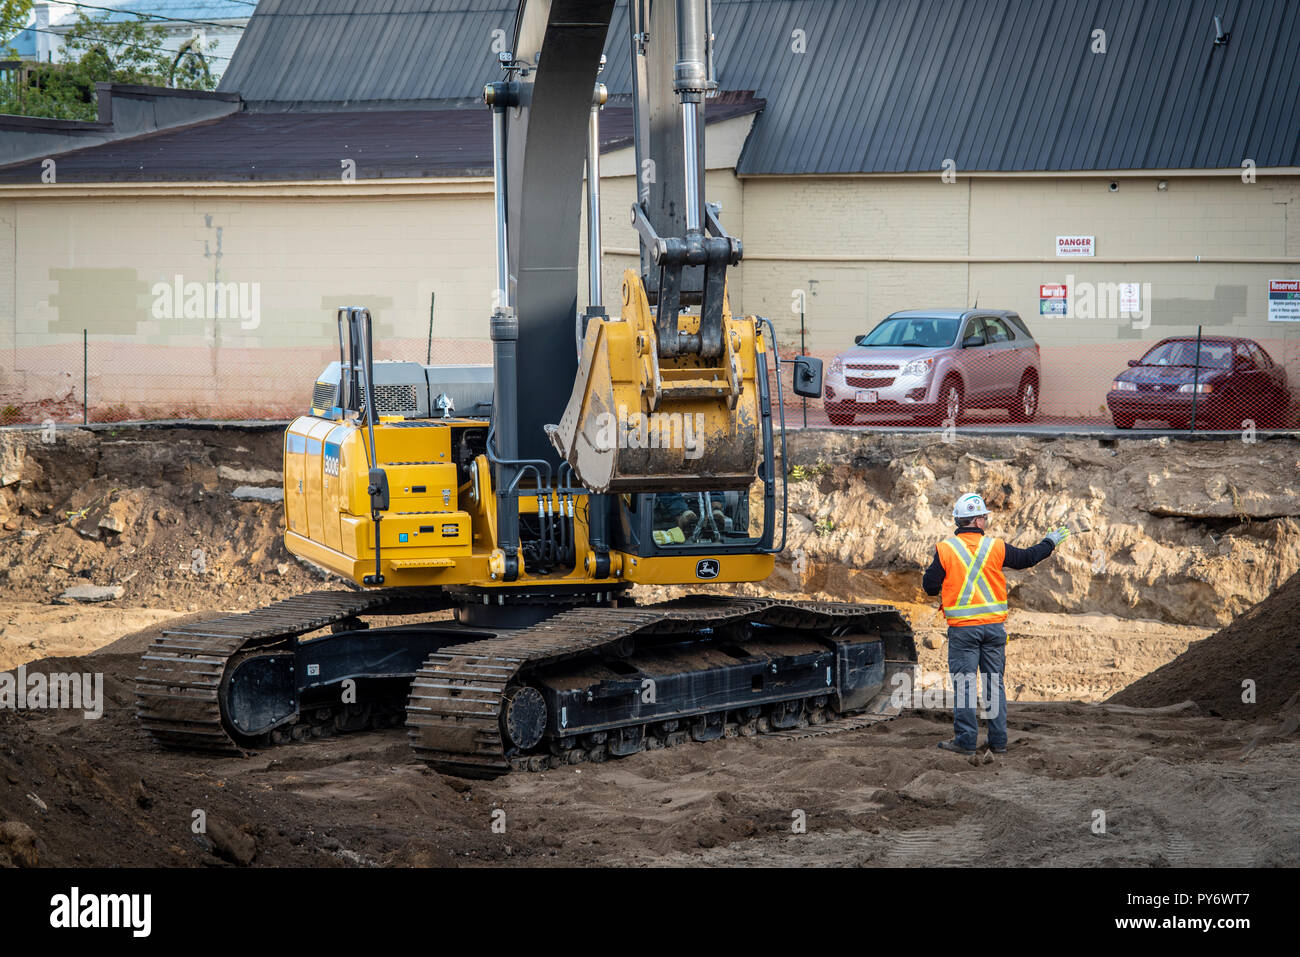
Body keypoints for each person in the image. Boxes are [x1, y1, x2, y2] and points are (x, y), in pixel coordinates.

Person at [922, 492, 1069, 756]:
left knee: (965, 685)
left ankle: (966, 741)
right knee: (993, 684)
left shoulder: (945, 549)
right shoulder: (996, 547)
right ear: (977, 521)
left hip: (963, 631)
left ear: (959, 520)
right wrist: (1050, 542)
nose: (986, 521)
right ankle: (998, 741)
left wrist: (950, 584)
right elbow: (1027, 558)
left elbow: (929, 587)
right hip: (993, 629)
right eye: (984, 517)